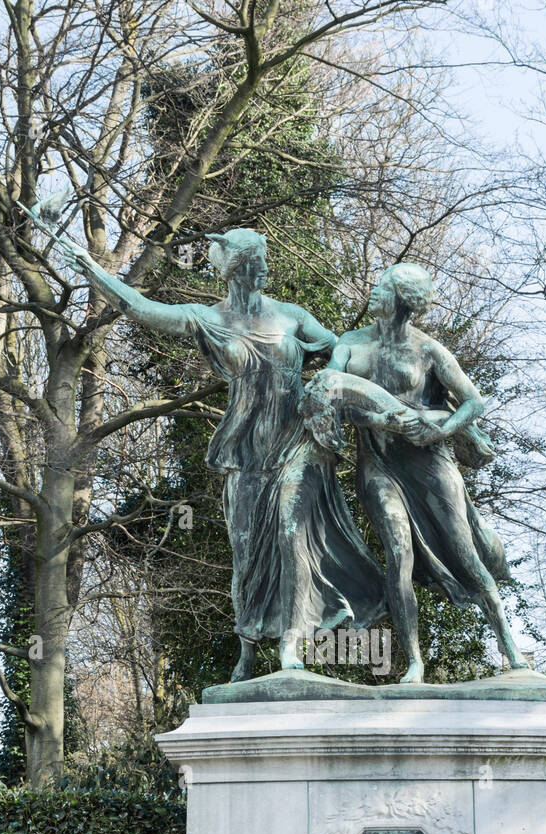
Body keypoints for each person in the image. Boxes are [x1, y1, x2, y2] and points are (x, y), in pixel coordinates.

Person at [60, 227, 384, 680]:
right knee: (247, 551)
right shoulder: (207, 317)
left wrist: (327, 384)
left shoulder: (292, 316)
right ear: (240, 267)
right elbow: (140, 308)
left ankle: (292, 645)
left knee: (292, 536)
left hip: (298, 441)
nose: (267, 267)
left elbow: (341, 348)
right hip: (246, 451)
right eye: (259, 259)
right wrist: (93, 270)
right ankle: (248, 648)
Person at [312, 262, 528, 683]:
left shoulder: (427, 349)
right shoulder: (350, 344)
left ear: (401, 300)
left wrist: (440, 429)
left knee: (468, 557)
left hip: (429, 465)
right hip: (378, 464)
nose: (372, 292)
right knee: (398, 554)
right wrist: (377, 420)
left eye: (382, 287)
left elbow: (473, 402)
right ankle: (413, 661)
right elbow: (329, 392)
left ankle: (510, 646)